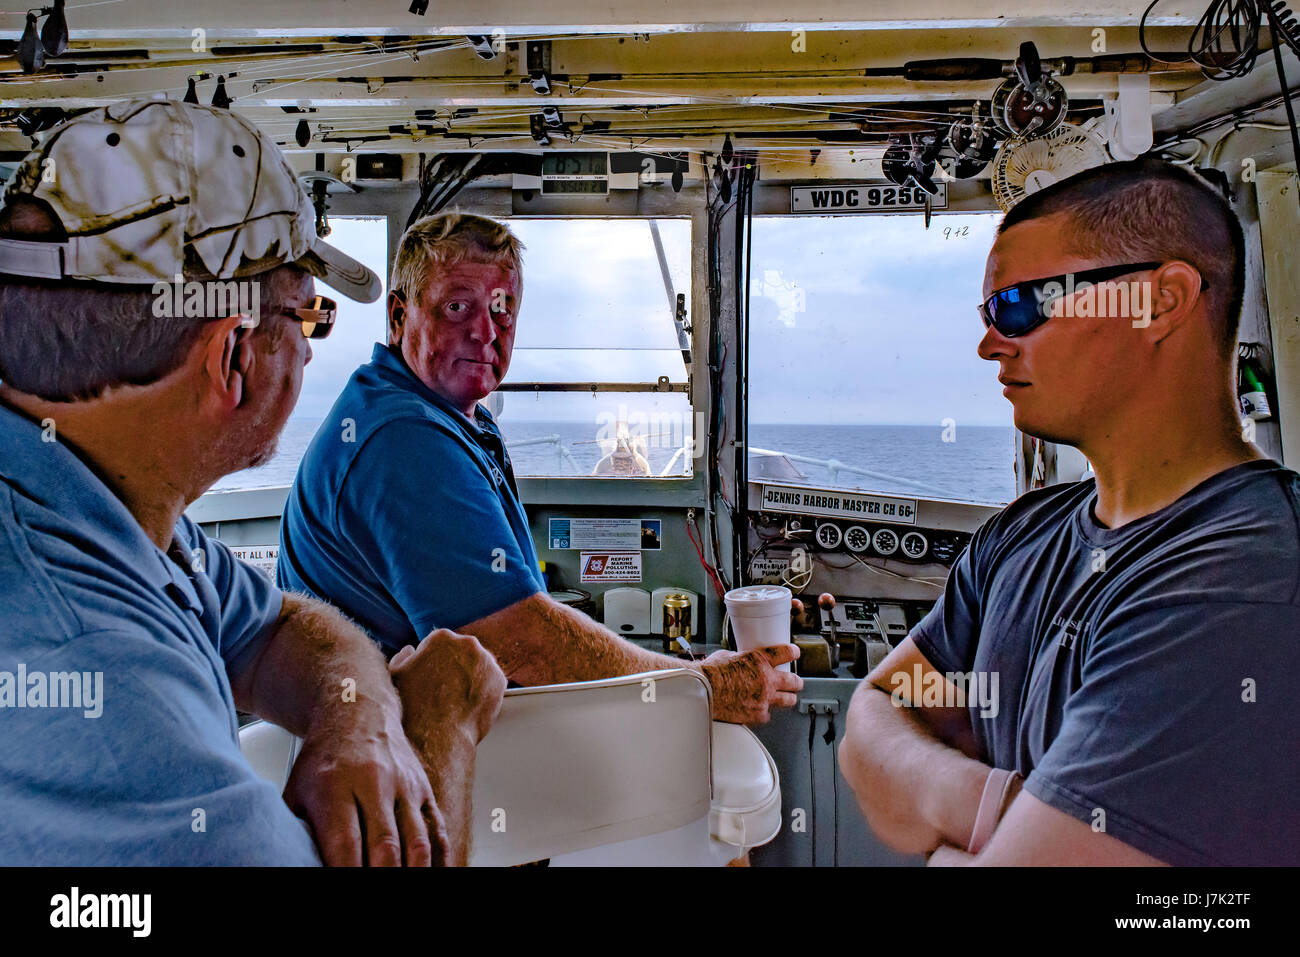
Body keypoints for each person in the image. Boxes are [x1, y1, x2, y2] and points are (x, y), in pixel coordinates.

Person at [0, 99, 506, 866]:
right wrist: (442, 721)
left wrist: (357, 712)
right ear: (233, 356)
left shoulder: (102, 499)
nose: (308, 356)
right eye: (307, 321)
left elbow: (273, 628)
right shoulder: (93, 683)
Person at [839, 157, 1300, 866]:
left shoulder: (1245, 579)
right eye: (991, 313)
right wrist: (990, 801)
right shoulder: (1020, 536)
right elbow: (879, 704)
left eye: (1020, 305)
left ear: (1160, 301)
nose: (991, 342)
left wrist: (938, 834)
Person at [278, 212, 801, 721]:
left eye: (502, 308)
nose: (485, 332)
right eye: (458, 307)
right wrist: (701, 686)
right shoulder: (402, 438)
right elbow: (521, 644)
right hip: (384, 759)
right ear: (399, 316)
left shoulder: (440, 413)